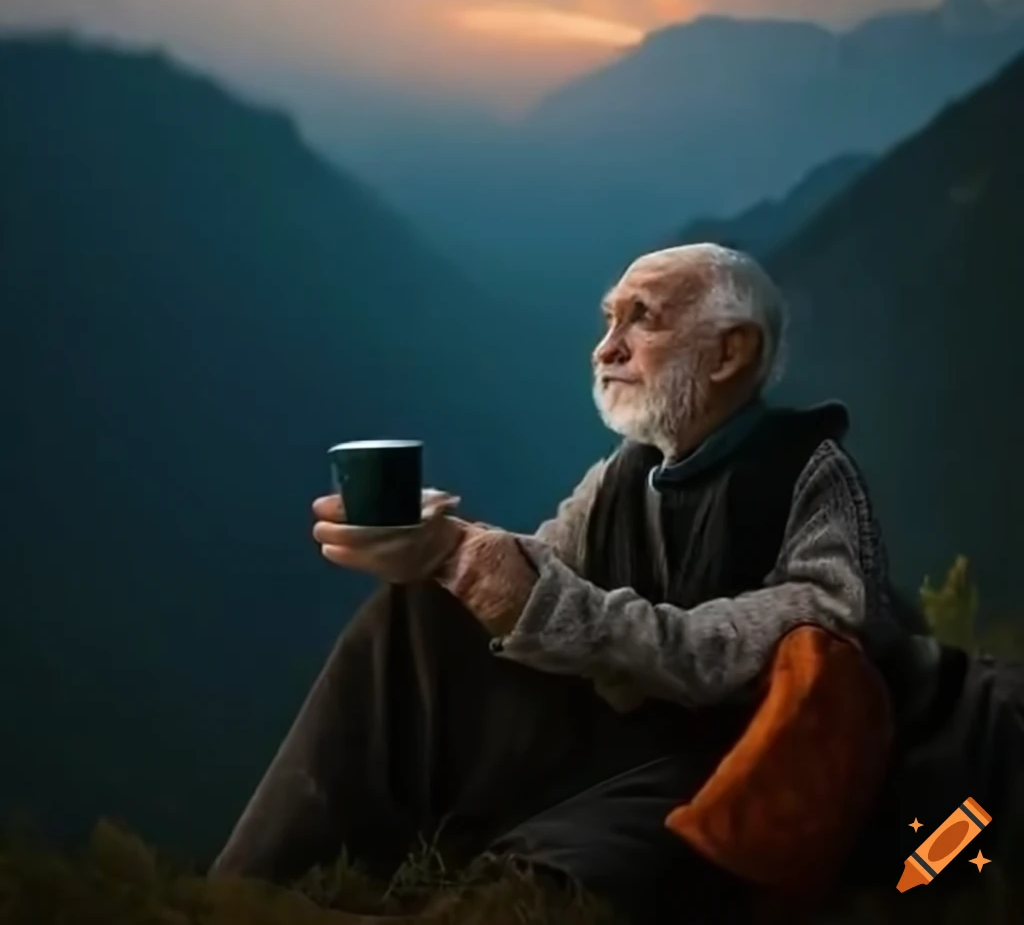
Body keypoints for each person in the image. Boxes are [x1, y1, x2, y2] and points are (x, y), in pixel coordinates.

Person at [210, 243, 919, 923]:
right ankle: (254, 889)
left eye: (642, 319)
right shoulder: (622, 475)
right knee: (419, 613)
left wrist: (506, 582)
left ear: (730, 353)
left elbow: (805, 640)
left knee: (599, 859)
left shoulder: (810, 474)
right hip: (616, 728)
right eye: (609, 319)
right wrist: (435, 554)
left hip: (725, 760)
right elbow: (545, 572)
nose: (605, 348)